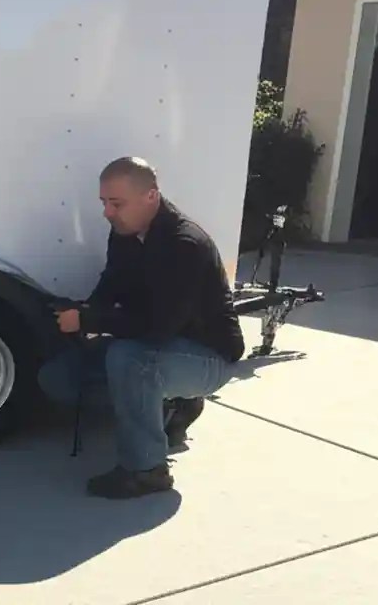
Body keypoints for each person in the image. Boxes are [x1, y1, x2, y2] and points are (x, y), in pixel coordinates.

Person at [39, 157, 245, 499]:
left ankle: (147, 469)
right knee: (59, 377)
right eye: (104, 203)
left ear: (150, 197)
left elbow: (159, 326)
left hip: (208, 355)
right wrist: (84, 311)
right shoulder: (124, 232)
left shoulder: (184, 244)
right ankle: (170, 407)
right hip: (157, 346)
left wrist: (90, 320)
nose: (107, 212)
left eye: (116, 203)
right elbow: (112, 283)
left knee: (128, 359)